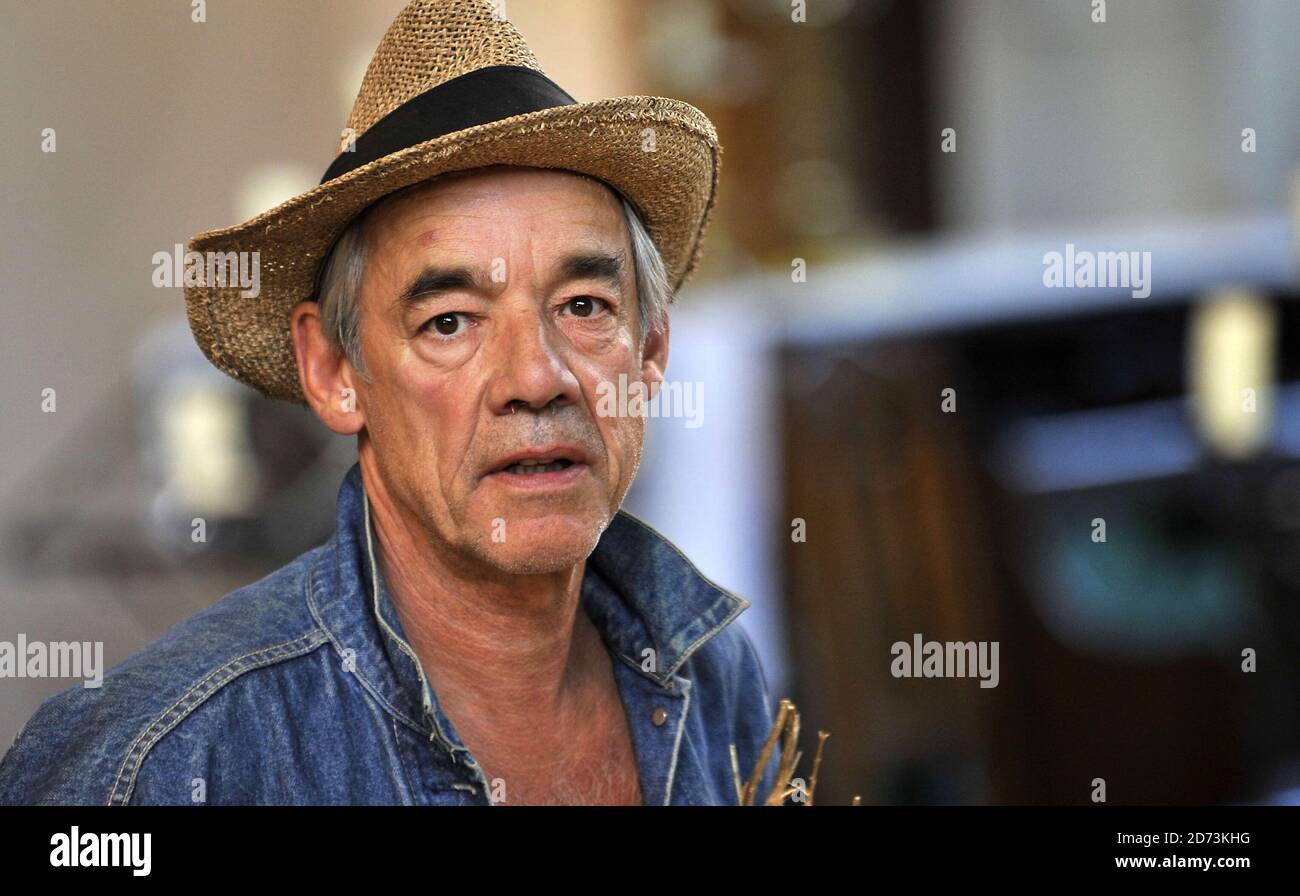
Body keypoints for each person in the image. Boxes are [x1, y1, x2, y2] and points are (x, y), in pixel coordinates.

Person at [0, 0, 779, 805]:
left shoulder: (710, 675)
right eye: (449, 322)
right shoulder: (166, 759)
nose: (538, 378)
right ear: (334, 370)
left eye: (584, 306)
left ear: (651, 350)